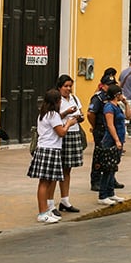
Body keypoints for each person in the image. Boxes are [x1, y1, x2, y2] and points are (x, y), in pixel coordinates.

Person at [28, 88, 79, 224]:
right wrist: (69, 123)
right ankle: (43, 212)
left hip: (48, 149)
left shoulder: (44, 114)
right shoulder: (53, 115)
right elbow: (61, 132)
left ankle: (46, 210)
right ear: (56, 101)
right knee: (44, 182)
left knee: (48, 181)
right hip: (49, 149)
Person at [52, 74, 85, 214]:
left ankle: (65, 200)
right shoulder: (56, 100)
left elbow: (82, 114)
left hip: (73, 132)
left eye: (70, 86)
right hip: (61, 134)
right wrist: (66, 113)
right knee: (56, 170)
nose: (68, 89)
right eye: (65, 86)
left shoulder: (74, 99)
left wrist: (79, 117)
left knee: (68, 169)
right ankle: (50, 203)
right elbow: (52, 117)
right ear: (59, 87)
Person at [87, 69, 120, 191]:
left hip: (111, 130)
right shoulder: (98, 98)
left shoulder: (112, 97)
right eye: (109, 85)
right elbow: (90, 113)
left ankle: (111, 179)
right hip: (101, 130)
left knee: (112, 155)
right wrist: (95, 126)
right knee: (99, 156)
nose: (111, 87)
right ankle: (95, 180)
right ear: (103, 85)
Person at [96, 84, 128, 205]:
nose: (122, 95)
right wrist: (116, 140)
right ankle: (103, 195)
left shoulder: (118, 106)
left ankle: (111, 193)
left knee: (113, 167)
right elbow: (110, 125)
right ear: (116, 95)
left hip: (119, 138)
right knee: (107, 168)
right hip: (110, 140)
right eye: (120, 93)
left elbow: (128, 115)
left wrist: (126, 103)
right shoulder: (109, 107)